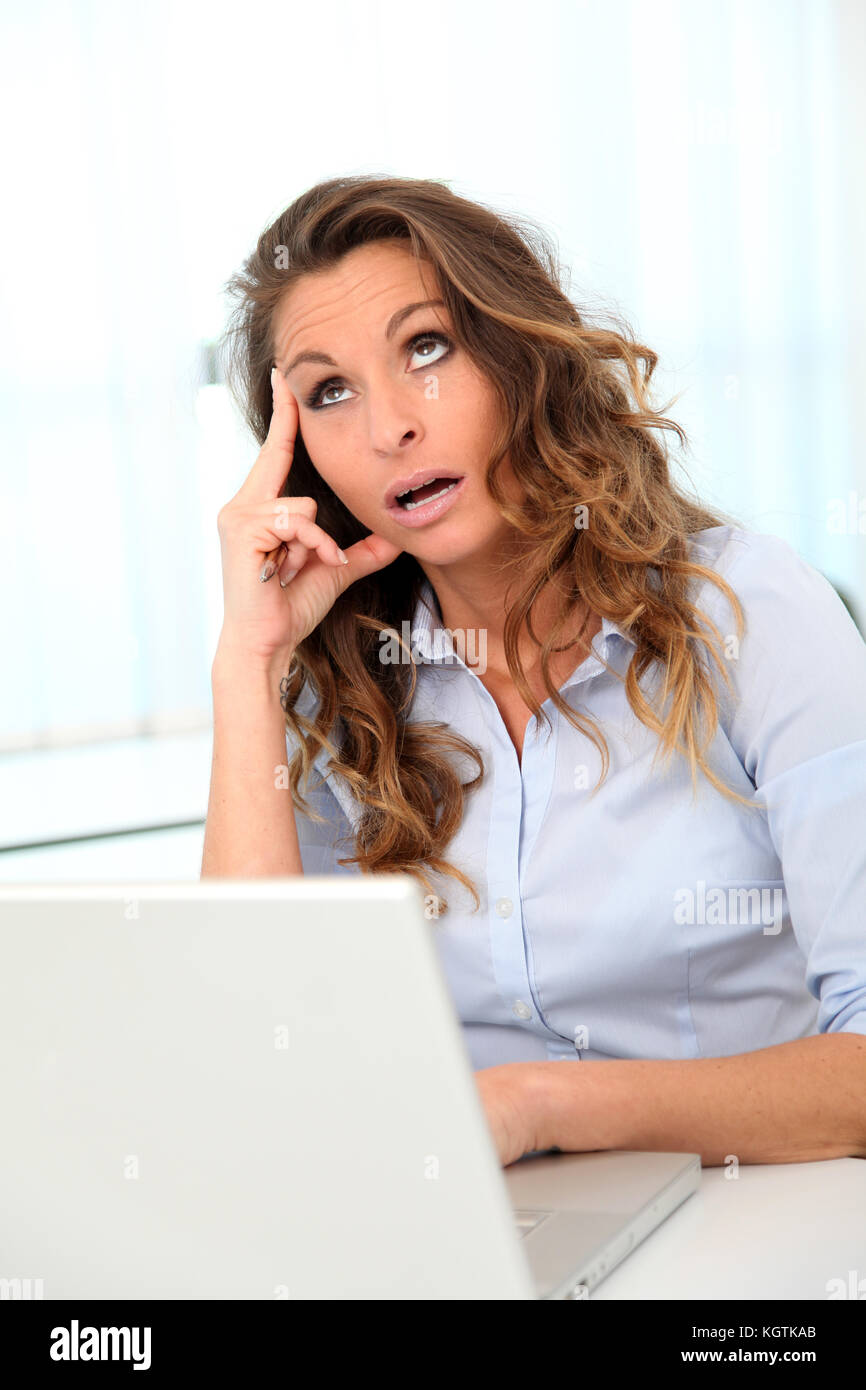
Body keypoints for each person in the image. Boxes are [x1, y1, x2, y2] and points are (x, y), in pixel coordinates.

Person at [201, 174, 866, 1169]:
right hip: (465, 1218)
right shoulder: (339, 684)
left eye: (426, 349)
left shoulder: (750, 612)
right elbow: (249, 1058)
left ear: (522, 360)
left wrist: (542, 1106)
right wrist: (247, 661)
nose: (389, 427)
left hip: (748, 1214)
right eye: (329, 391)